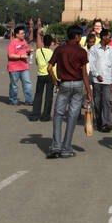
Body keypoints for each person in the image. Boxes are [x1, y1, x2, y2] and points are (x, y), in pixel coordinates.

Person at [48, 26, 90, 158]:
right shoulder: (81, 52)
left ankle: (56, 146)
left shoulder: (60, 49)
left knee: (58, 115)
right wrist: (88, 90)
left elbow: (49, 68)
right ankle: (66, 148)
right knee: (72, 116)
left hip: (64, 84)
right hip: (78, 85)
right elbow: (84, 73)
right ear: (77, 37)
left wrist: (56, 82)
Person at [88, 25, 112, 133]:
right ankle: (99, 121)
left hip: (108, 79)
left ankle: (107, 122)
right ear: (103, 37)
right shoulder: (94, 49)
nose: (110, 39)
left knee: (106, 101)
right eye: (109, 37)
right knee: (98, 101)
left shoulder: (111, 49)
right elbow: (91, 63)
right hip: (97, 80)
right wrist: (96, 74)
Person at [32, 32, 55, 122]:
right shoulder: (52, 53)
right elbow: (53, 66)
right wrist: (56, 79)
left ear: (43, 42)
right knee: (49, 96)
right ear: (51, 43)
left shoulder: (38, 51)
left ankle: (35, 114)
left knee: (38, 95)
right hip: (49, 75)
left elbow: (37, 62)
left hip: (40, 74)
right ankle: (46, 115)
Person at [7, 25, 33, 106]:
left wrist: (29, 50)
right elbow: (10, 55)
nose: (23, 35)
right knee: (14, 85)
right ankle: (13, 100)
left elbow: (25, 49)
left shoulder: (24, 41)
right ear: (17, 34)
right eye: (21, 33)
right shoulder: (12, 43)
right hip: (14, 68)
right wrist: (21, 56)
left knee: (27, 83)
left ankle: (29, 100)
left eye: (24, 33)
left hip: (24, 66)